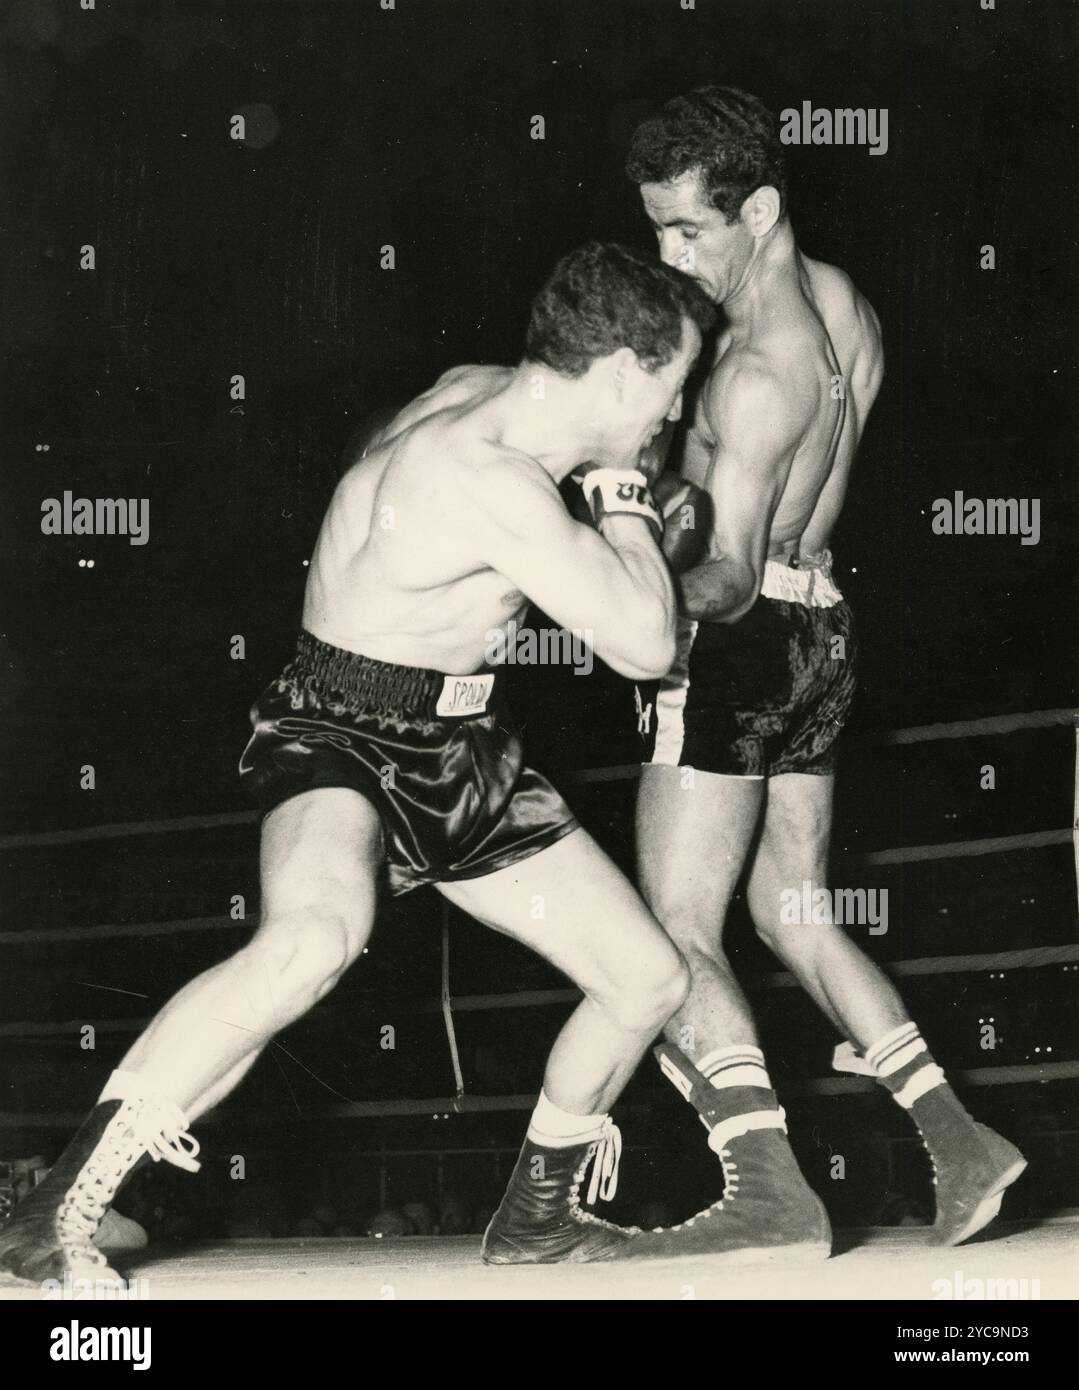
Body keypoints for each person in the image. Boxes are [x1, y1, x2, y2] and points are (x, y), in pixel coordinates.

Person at [0, 242, 712, 1284]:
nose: (674, 414)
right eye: (671, 383)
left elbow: (372, 453)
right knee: (314, 940)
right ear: (616, 373)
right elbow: (647, 647)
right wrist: (624, 504)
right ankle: (57, 1208)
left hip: (459, 744)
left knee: (646, 978)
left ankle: (535, 1217)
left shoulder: (473, 392)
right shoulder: (489, 476)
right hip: (344, 730)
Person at [624, 88, 1025, 1256]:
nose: (667, 254)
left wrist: (616, 587)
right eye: (654, 229)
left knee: (671, 932)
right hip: (826, 632)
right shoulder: (844, 306)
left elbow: (732, 577)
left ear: (757, 205)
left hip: (745, 645)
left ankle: (764, 1186)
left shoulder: (752, 367)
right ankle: (958, 1139)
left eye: (688, 230)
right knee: (789, 907)